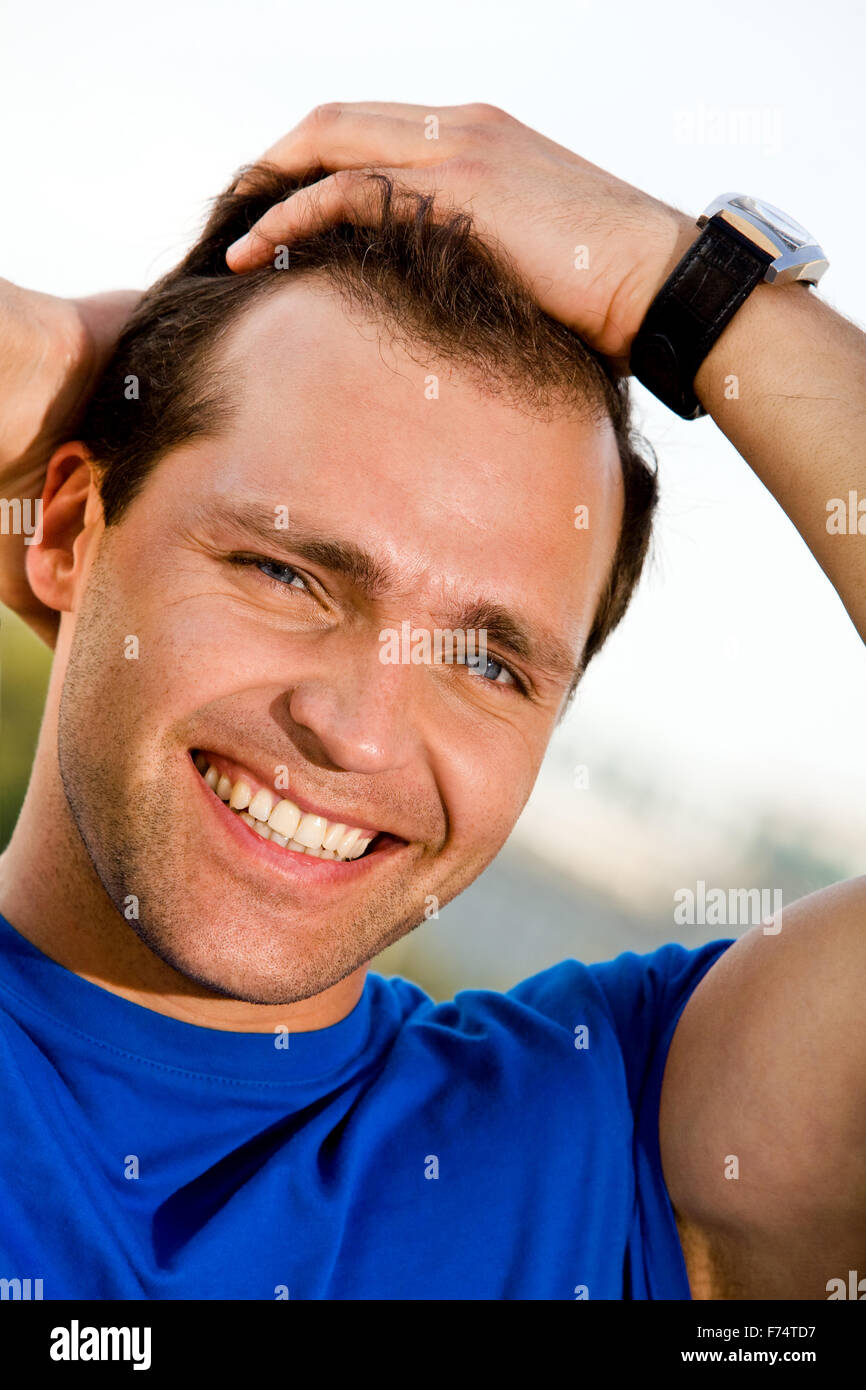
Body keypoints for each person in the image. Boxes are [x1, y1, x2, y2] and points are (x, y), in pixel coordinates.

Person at [0, 102, 862, 1301]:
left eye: (489, 664)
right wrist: (48, 358)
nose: (354, 729)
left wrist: (690, 283)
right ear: (65, 532)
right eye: (285, 571)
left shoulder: (614, 1149)